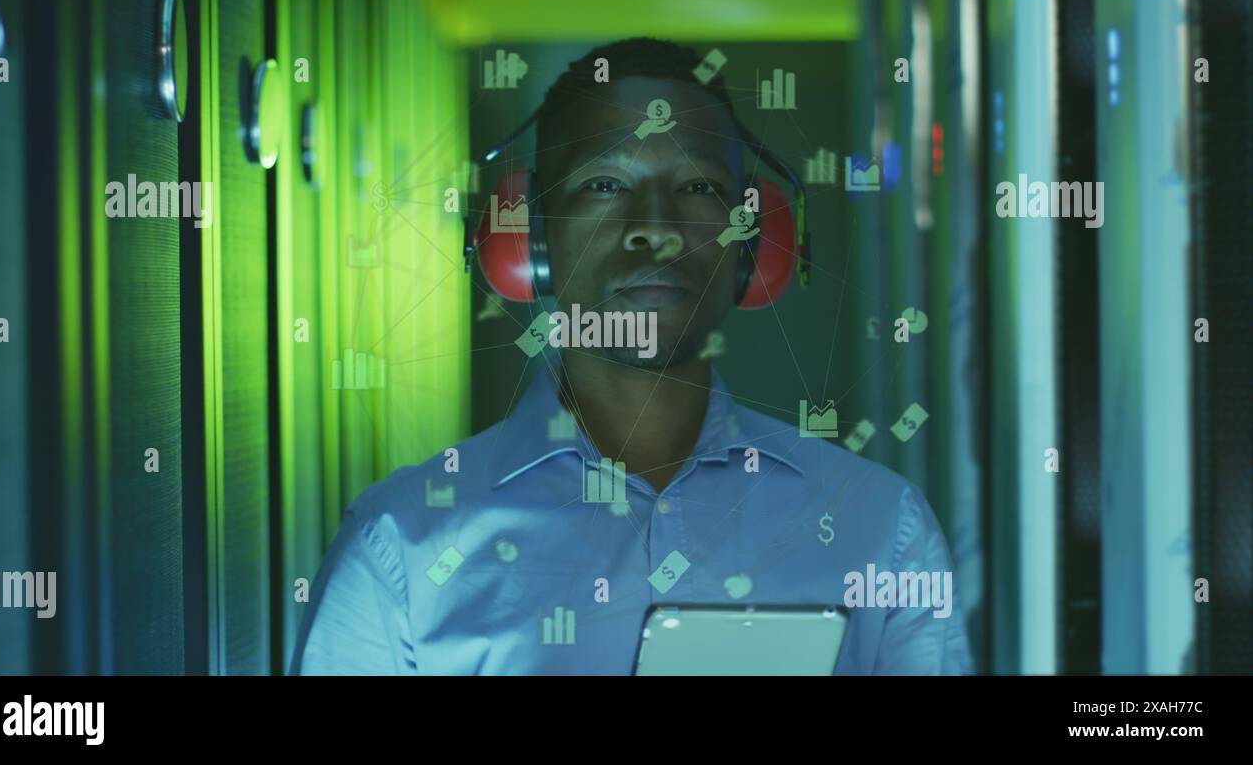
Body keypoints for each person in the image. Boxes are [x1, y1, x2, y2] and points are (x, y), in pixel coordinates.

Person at [290, 37, 973, 675]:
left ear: (753, 241)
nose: (654, 226)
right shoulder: (400, 551)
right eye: (605, 184)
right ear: (528, 238)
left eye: (698, 187)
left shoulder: (882, 527)